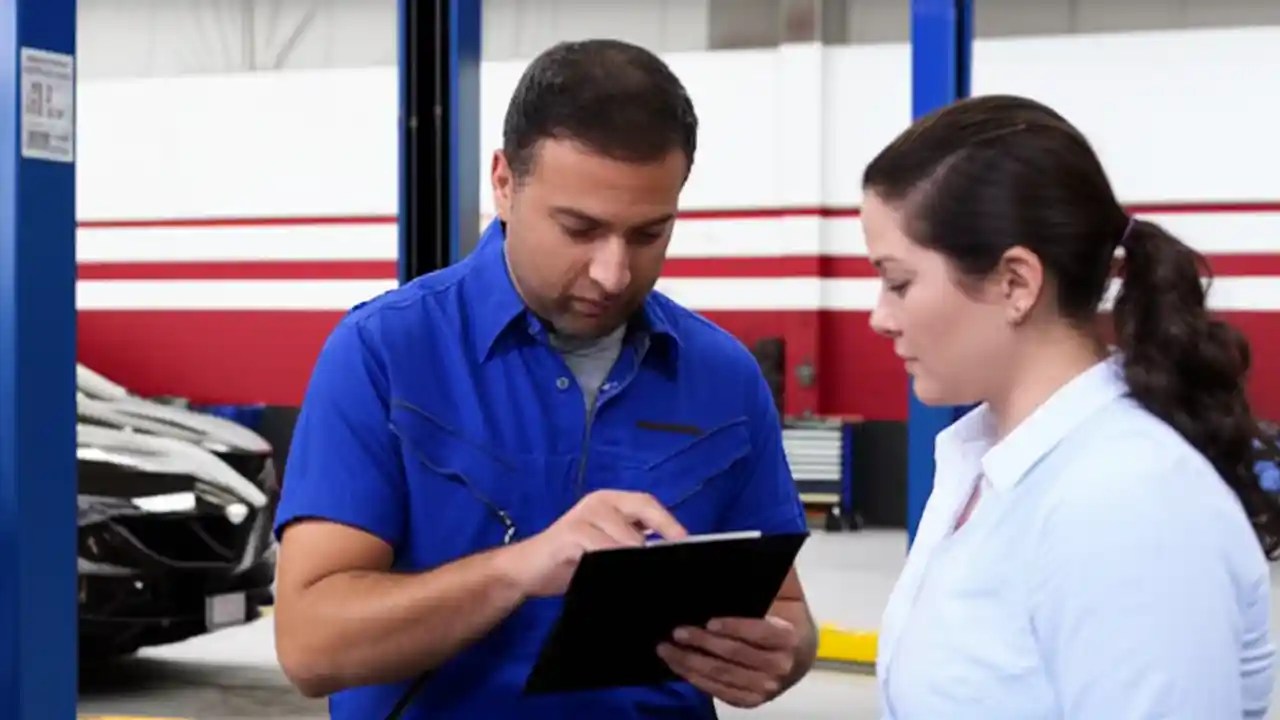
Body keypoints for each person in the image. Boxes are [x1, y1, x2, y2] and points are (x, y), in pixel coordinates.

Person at [270, 39, 818, 720]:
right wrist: (518, 570)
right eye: (579, 229)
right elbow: (311, 646)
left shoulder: (723, 377)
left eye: (649, 234)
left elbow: (788, 610)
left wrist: (784, 652)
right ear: (504, 183)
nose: (612, 273)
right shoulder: (385, 354)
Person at [863, 94, 1278, 719]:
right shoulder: (978, 465)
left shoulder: (1127, 500)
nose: (879, 316)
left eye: (898, 282)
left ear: (1015, 283)